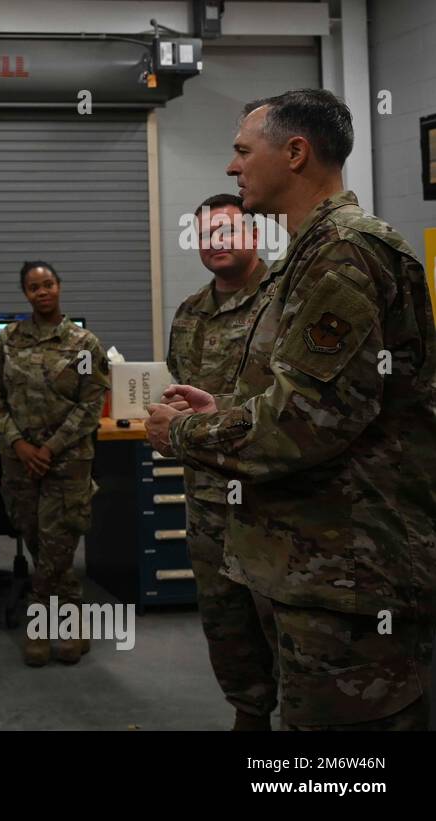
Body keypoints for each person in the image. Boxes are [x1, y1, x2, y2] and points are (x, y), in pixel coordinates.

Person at [147, 88, 436, 730]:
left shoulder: (345, 253)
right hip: (311, 561)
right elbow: (322, 400)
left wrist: (187, 430)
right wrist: (224, 405)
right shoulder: (309, 256)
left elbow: (303, 424)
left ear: (296, 152)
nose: (232, 167)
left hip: (348, 570)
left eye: (243, 151)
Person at [166, 194, 277, 730]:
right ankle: (249, 714)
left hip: (276, 499)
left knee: (287, 625)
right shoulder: (190, 313)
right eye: (206, 235)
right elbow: (180, 391)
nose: (217, 243)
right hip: (209, 499)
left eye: (228, 232)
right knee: (226, 621)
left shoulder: (287, 297)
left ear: (254, 235)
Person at [0, 261, 110, 667]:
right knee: (41, 541)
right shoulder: (6, 342)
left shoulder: (84, 344)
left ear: (59, 286)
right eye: (34, 287)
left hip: (66, 461)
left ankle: (41, 623)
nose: (42, 292)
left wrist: (50, 448)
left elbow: (92, 403)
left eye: (48, 284)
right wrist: (19, 442)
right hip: (19, 462)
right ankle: (73, 618)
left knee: (59, 540)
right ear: (25, 294)